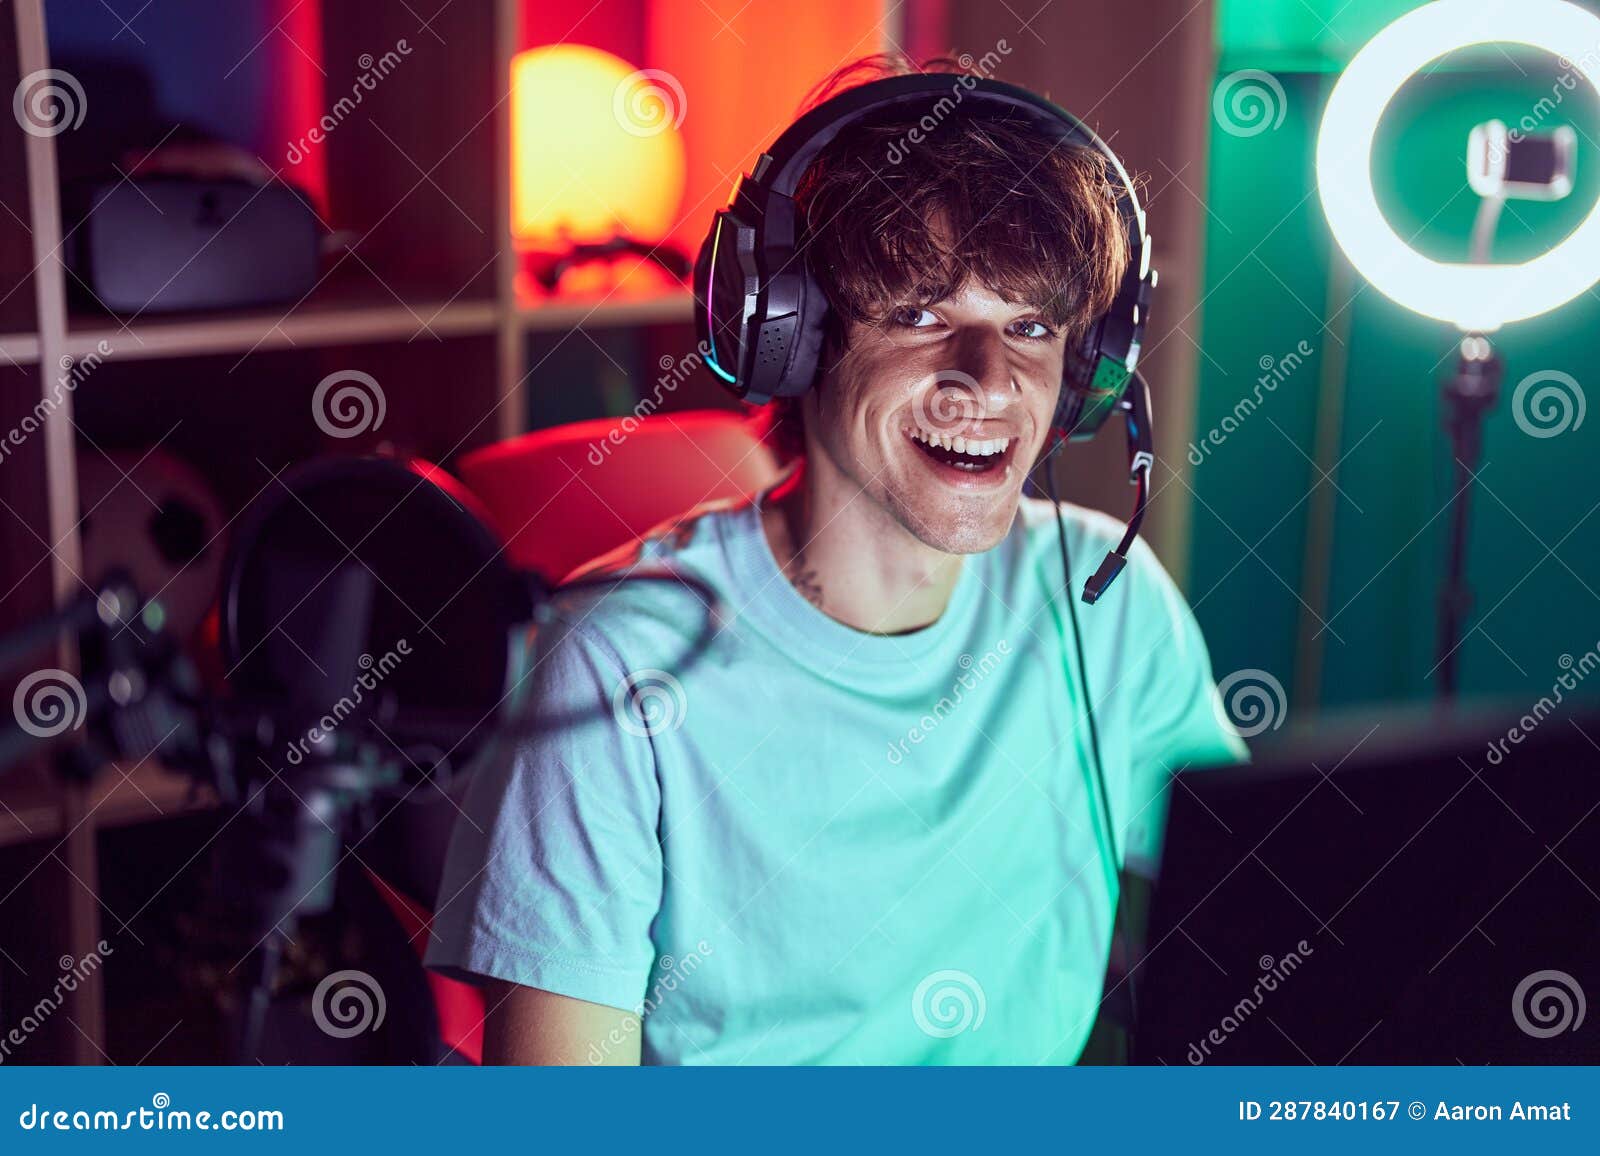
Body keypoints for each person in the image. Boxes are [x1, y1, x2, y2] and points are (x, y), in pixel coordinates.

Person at [425, 54, 1246, 1065]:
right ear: (790, 334)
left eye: (1031, 326)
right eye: (922, 316)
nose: (989, 381)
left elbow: (1261, 925)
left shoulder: (1103, 603)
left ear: (1087, 369)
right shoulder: (610, 663)